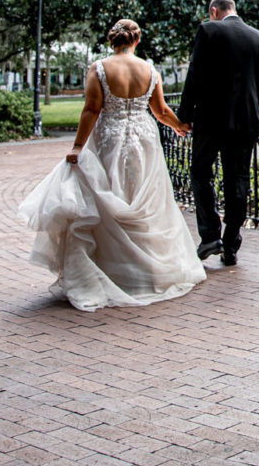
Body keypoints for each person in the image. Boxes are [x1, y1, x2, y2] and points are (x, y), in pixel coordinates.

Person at [18, 19, 205, 311]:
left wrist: (78, 146)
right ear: (136, 41)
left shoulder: (100, 68)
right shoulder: (149, 69)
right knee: (145, 199)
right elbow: (160, 110)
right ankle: (148, 273)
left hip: (110, 139)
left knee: (110, 197)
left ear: (112, 41)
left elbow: (91, 109)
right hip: (144, 141)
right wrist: (179, 126)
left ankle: (111, 271)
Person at [178, 0, 259, 266]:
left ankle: (210, 235)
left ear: (214, 11)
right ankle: (231, 244)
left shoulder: (209, 29)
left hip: (210, 120)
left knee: (200, 172)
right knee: (237, 179)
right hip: (245, 121)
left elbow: (194, 74)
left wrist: (185, 115)